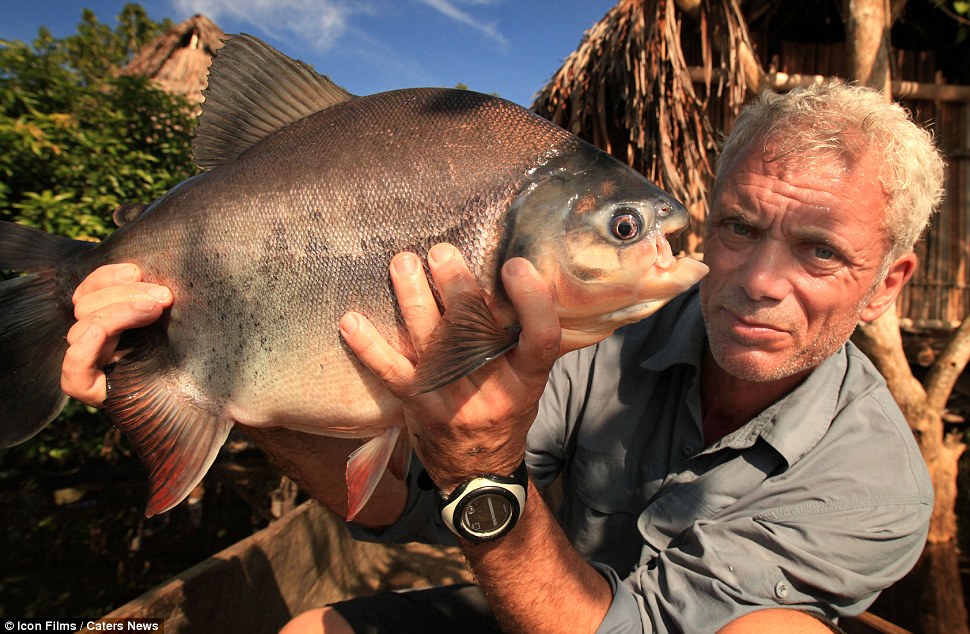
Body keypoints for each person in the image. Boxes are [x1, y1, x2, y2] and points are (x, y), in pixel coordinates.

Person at [62, 81, 944, 633]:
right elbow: (404, 509)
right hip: (531, 600)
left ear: (886, 285)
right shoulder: (591, 332)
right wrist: (210, 376)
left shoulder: (873, 487)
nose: (757, 281)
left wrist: (482, 469)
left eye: (820, 252)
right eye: (740, 229)